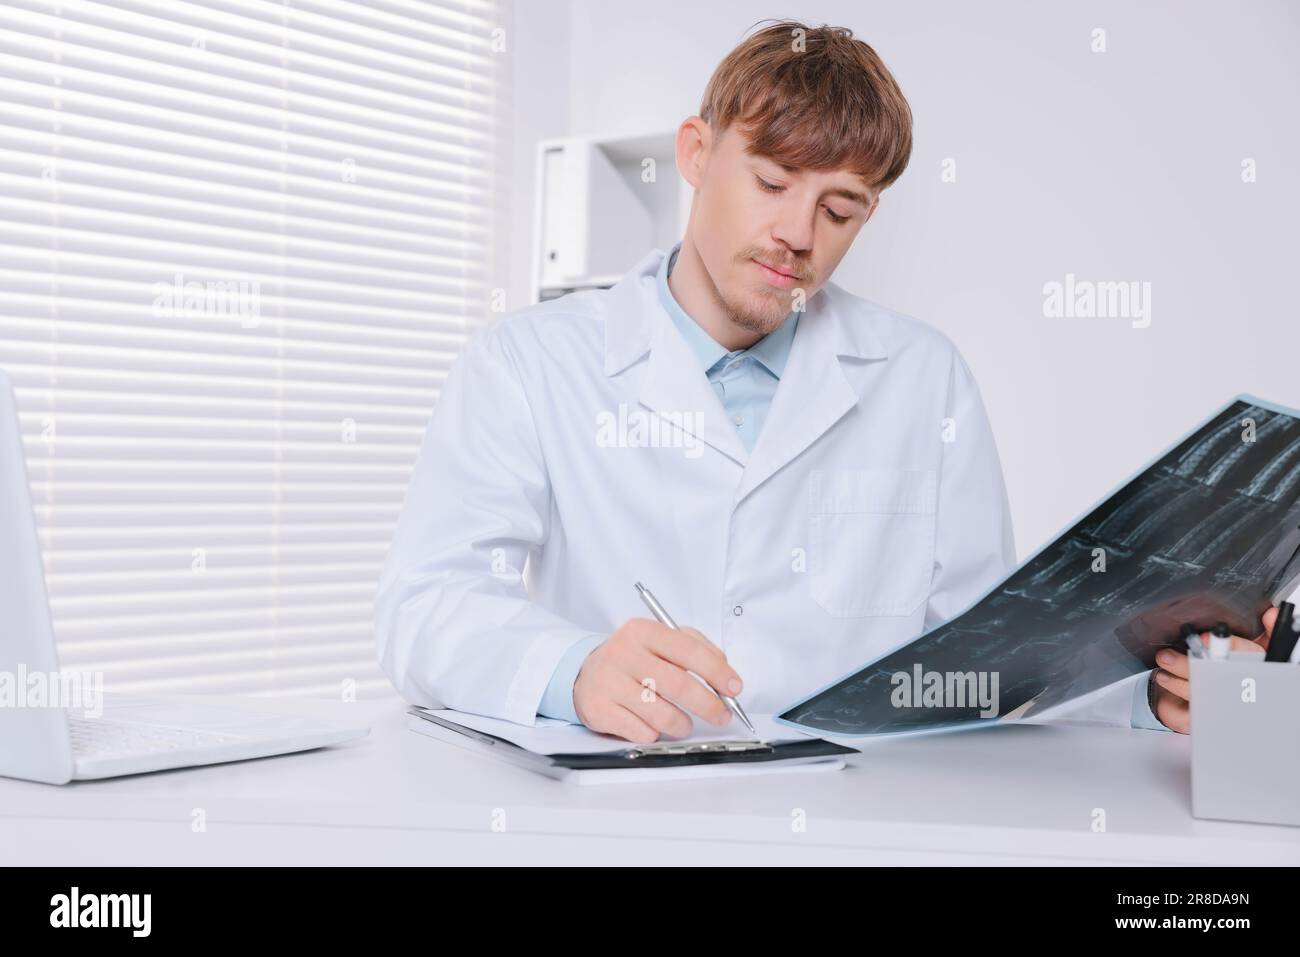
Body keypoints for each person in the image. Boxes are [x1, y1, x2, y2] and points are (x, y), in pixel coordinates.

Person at [374, 20, 1272, 742]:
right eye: (771, 183)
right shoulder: (528, 363)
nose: (798, 236)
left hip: (855, 822)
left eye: (838, 208)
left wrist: (1145, 694)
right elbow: (427, 607)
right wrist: (570, 669)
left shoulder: (924, 378)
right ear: (694, 152)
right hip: (619, 819)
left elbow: (987, 658)